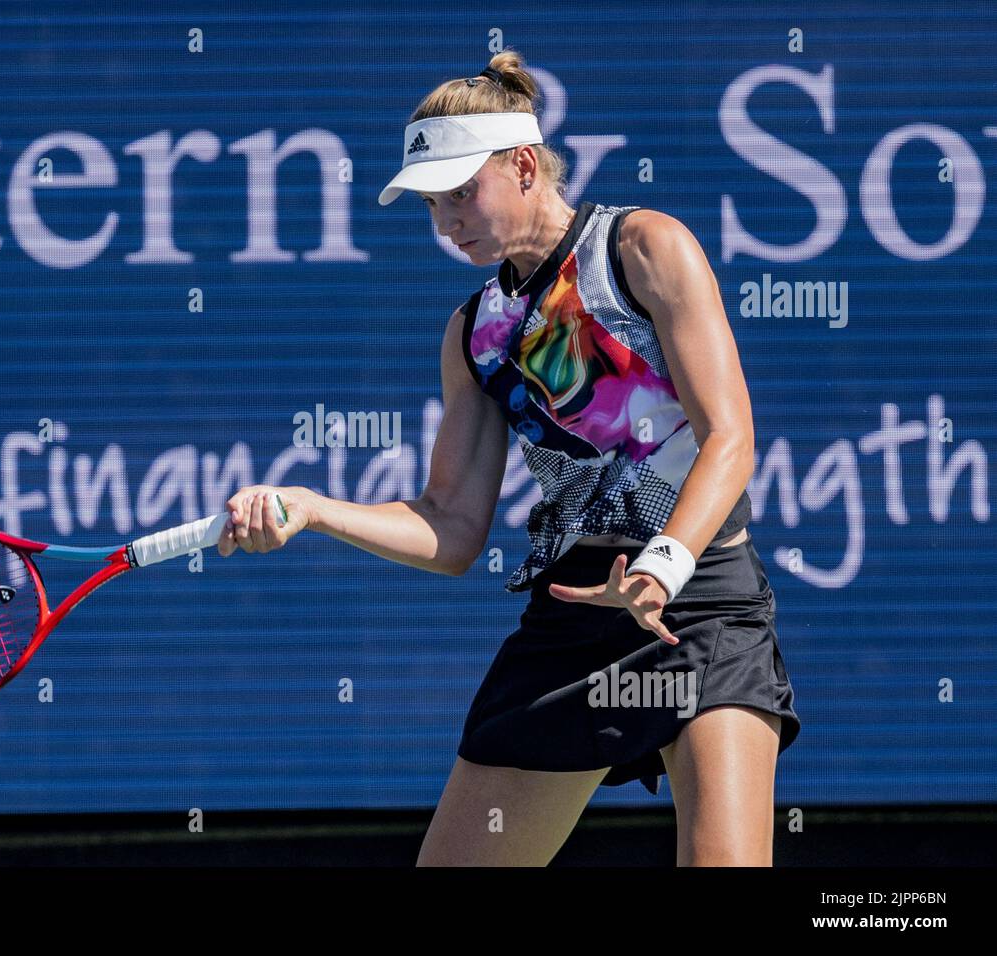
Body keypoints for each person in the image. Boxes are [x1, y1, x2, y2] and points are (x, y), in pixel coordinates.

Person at [216, 49, 800, 867]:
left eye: (463, 191)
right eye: (432, 204)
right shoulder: (473, 335)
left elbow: (729, 434)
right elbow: (451, 527)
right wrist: (314, 509)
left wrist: (662, 565)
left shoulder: (643, 246)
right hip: (570, 625)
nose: (449, 220)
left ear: (524, 165)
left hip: (699, 610)